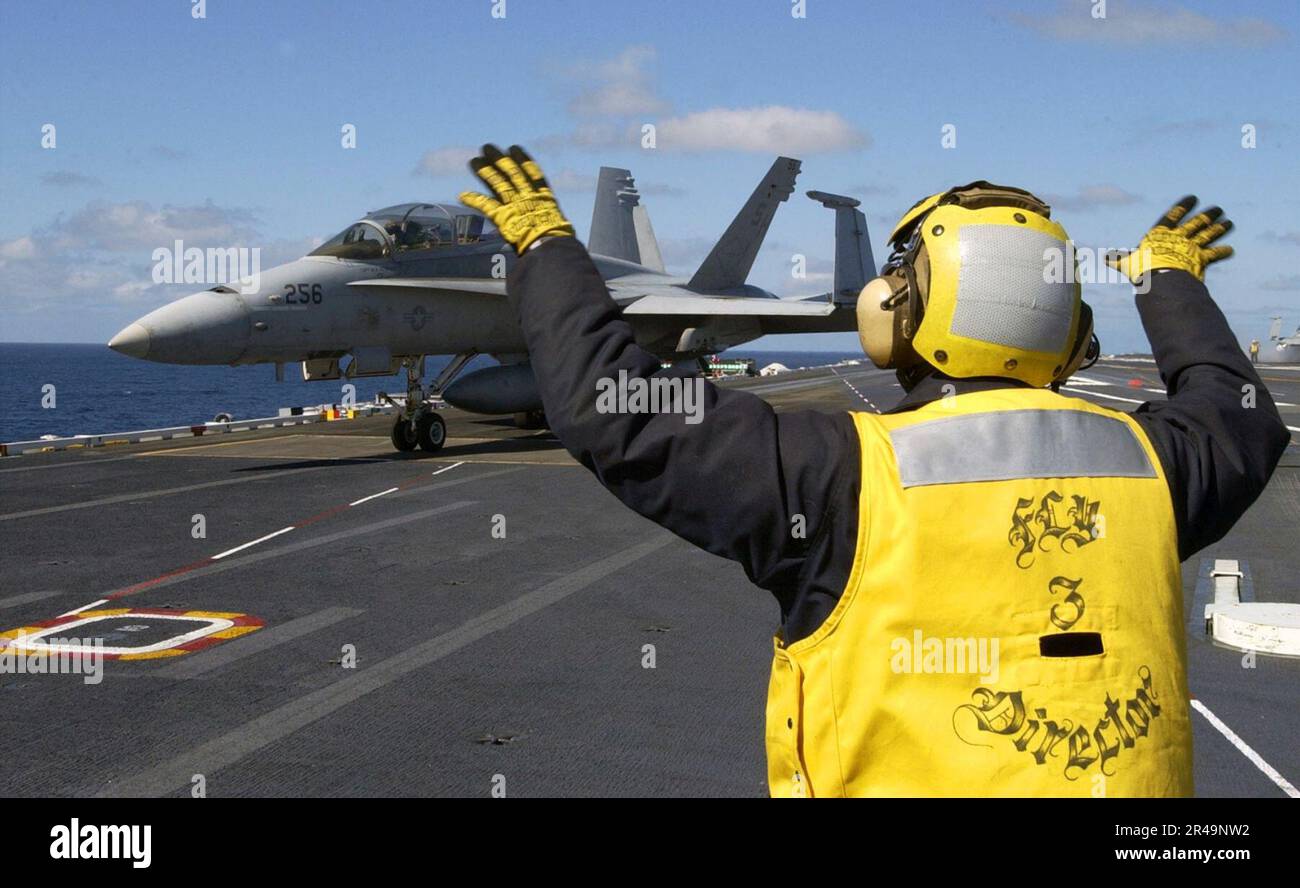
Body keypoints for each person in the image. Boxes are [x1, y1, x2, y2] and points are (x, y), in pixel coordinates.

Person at [459, 145, 1290, 797]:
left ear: (900, 316)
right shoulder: (1159, 466)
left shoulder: (839, 475)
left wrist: (547, 251)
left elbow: (617, 410)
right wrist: (1169, 282)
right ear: (1070, 330)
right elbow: (1235, 408)